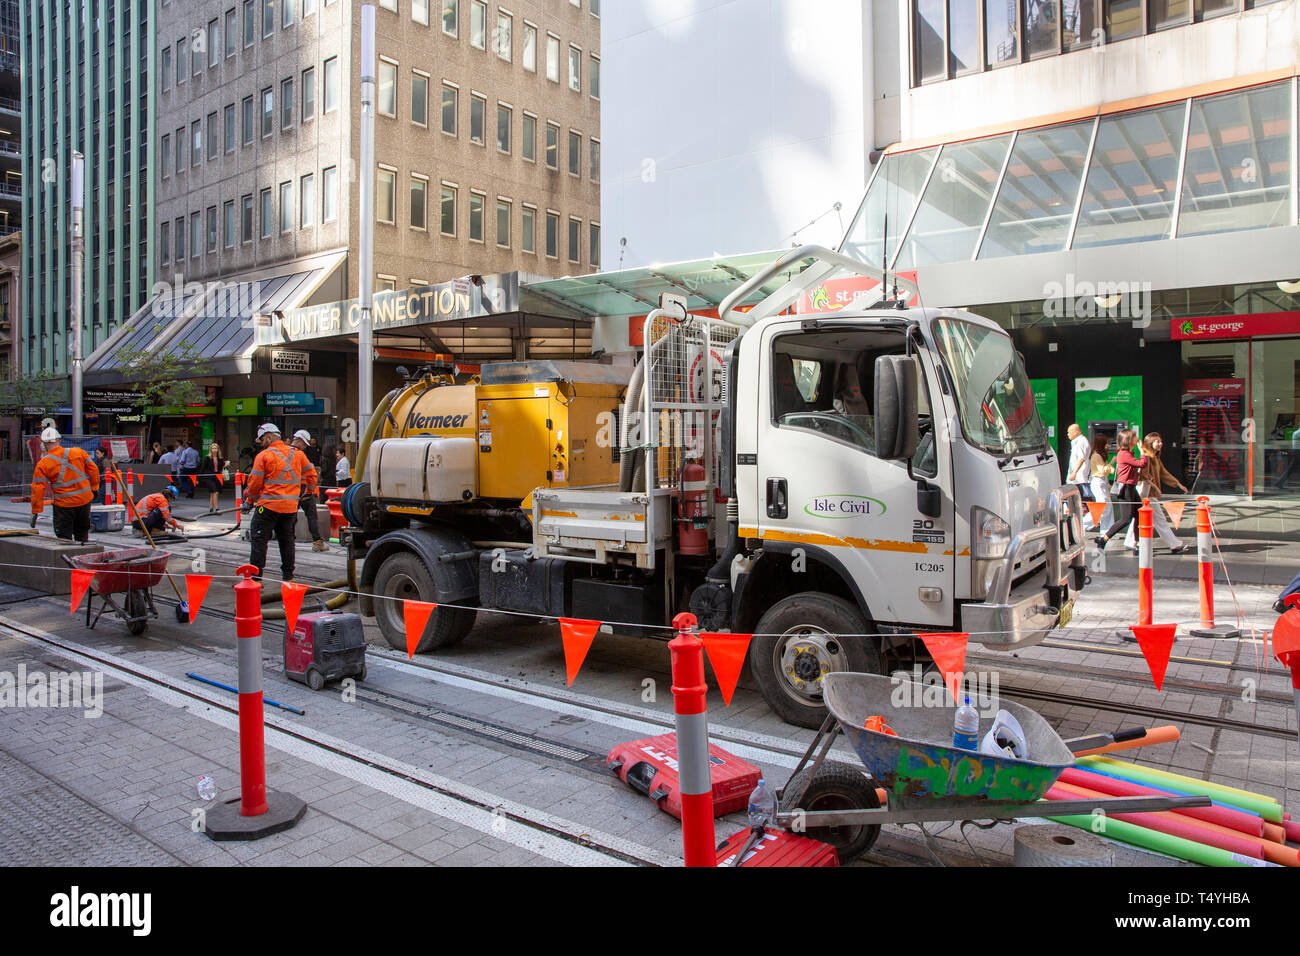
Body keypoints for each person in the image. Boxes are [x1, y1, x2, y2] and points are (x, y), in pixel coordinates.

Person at [244, 423, 318, 582]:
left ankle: (256, 579)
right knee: (287, 541)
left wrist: (249, 501)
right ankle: (288, 577)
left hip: (267, 508)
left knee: (258, 538)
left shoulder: (264, 456)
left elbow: (254, 483)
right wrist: (309, 492)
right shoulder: (297, 454)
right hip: (289, 509)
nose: (261, 442)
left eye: (262, 439)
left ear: (269, 437)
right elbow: (312, 475)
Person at [30, 428, 100, 543]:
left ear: (43, 444)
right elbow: (94, 470)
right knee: (82, 535)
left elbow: (38, 488)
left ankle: (68, 558)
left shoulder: (43, 464)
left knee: (64, 539)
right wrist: (95, 488)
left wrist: (36, 511)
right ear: (59, 440)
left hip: (64, 505)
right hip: (84, 501)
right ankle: (83, 557)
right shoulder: (78, 452)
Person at [1122, 432, 1188, 554]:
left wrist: (1178, 484)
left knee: (1139, 518)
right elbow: (1143, 476)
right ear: (1150, 443)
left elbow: (1163, 472)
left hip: (1147, 493)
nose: (1160, 444)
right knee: (1159, 519)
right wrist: (1156, 488)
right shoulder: (1147, 457)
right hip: (1146, 494)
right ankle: (1174, 545)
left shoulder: (1155, 458)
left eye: (1160, 441)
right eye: (1157, 441)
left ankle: (1130, 541)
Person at [1096, 429, 1146, 550]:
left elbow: (1131, 471)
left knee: (1139, 514)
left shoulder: (1129, 453)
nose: (1137, 439)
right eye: (1135, 437)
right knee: (1126, 519)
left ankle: (1138, 544)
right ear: (1128, 440)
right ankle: (1104, 539)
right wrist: (1142, 452)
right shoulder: (1124, 454)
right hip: (1126, 489)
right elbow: (1141, 464)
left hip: (1131, 487)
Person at [291, 430, 328, 552]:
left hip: (289, 491)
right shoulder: (300, 455)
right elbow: (312, 476)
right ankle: (317, 542)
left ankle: (289, 540)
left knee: (290, 516)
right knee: (312, 516)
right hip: (303, 489)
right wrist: (309, 490)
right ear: (300, 441)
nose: (305, 447)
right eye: (304, 444)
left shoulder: (283, 454)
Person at [1065, 424, 1094, 530]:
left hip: (1079, 479)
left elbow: (1081, 459)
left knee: (1084, 501)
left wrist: (1074, 473)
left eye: (1069, 432)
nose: (1068, 434)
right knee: (1078, 502)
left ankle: (1083, 524)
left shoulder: (1082, 442)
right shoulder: (1077, 442)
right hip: (1077, 478)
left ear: (1076, 432)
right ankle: (1079, 523)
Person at [1087, 433, 1116, 532]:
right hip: (1098, 482)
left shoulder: (1100, 455)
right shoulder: (1096, 456)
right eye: (1106, 443)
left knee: (1107, 507)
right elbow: (1102, 470)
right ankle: (1084, 524)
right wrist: (1112, 462)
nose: (1107, 446)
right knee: (1102, 506)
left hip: (1102, 482)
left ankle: (1107, 531)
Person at [203, 442, 229, 513]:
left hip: (217, 477)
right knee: (215, 492)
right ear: (210, 449)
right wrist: (198, 478)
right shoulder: (207, 458)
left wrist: (225, 464)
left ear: (218, 449)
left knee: (212, 493)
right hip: (209, 477)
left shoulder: (220, 458)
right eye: (213, 448)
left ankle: (211, 508)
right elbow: (203, 468)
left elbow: (221, 467)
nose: (214, 450)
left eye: (215, 448)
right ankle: (217, 508)